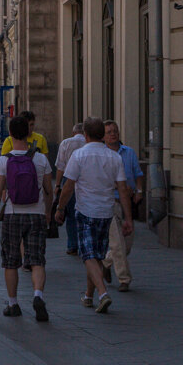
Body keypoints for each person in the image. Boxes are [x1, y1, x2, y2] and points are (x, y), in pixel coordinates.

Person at [53, 117, 134, 314]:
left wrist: (60, 208)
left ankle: (102, 293)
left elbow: (68, 186)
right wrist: (128, 218)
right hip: (106, 212)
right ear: (102, 135)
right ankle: (88, 296)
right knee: (96, 257)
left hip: (85, 211)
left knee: (88, 255)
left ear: (86, 135)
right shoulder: (114, 157)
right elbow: (123, 189)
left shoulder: (79, 156)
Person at [0, 116, 54, 321]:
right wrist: (48, 213)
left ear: (10, 134)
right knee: (37, 260)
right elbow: (49, 191)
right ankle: (37, 295)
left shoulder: (4, 160)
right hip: (37, 214)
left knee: (10, 261)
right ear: (28, 133)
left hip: (13, 215)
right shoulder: (41, 159)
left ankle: (13, 303)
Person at [102, 120, 143, 292]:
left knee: (127, 243)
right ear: (103, 136)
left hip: (128, 202)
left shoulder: (129, 153)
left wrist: (139, 190)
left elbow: (138, 173)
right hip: (111, 202)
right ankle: (124, 279)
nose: (113, 134)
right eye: (109, 131)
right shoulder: (102, 155)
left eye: (115, 131)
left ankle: (105, 262)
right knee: (118, 243)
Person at [54, 123, 86, 256]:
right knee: (85, 212)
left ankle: (72, 245)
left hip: (69, 179)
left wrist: (57, 185)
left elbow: (60, 166)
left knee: (71, 213)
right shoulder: (88, 143)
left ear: (73, 133)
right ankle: (85, 244)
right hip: (86, 180)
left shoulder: (65, 143)